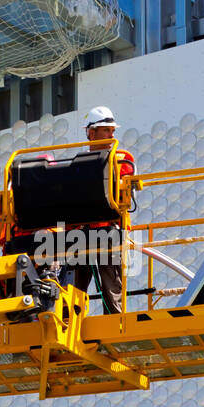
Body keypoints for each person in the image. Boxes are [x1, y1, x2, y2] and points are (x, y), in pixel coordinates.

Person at [67, 106, 136, 314]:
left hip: (109, 228)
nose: (112, 134)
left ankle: (115, 323)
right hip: (81, 230)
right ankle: (71, 322)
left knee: (112, 284)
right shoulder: (79, 164)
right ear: (91, 133)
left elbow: (123, 185)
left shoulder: (121, 158)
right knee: (75, 286)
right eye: (107, 130)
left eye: (112, 130)